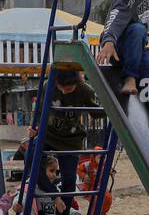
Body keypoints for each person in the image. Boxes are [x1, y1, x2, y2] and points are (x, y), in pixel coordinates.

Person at [28, 70, 101, 205]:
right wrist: (35, 126)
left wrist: (110, 105)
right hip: (48, 135)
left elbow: (97, 113)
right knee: (31, 158)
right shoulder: (48, 86)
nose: (63, 92)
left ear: (77, 83)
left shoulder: (84, 90)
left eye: (68, 89)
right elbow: (39, 110)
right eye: (60, 88)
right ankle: (54, 195)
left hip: (70, 140)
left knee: (69, 180)